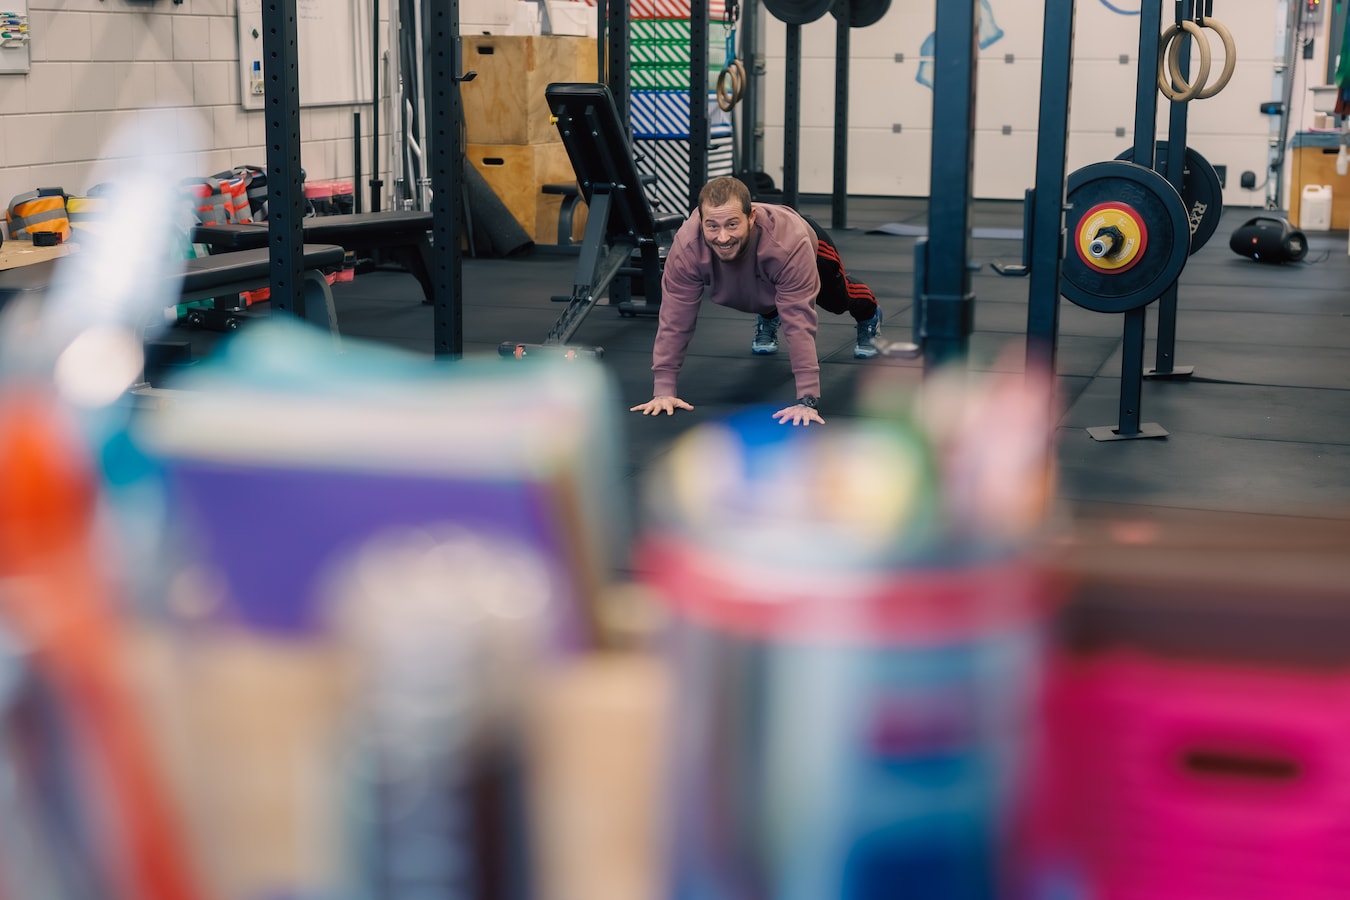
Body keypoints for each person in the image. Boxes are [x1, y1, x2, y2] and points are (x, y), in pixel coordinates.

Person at [629, 176, 883, 426]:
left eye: (732, 225)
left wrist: (807, 399)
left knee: (838, 300)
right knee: (757, 286)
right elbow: (675, 319)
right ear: (701, 221)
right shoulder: (687, 247)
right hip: (767, 265)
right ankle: (770, 313)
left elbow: (799, 321)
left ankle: (870, 314)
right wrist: (663, 390)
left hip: (806, 242)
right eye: (712, 226)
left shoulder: (788, 244)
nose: (722, 237)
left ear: (751, 217)